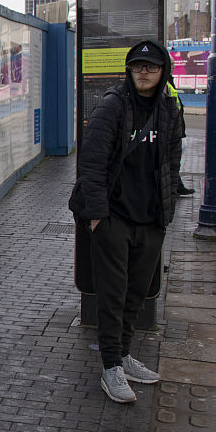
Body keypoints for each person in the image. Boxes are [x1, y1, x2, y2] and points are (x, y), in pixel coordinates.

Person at [69, 40, 183, 403]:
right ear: (128, 71)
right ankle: (110, 367)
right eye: (137, 67)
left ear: (163, 70)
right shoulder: (113, 105)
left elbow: (173, 161)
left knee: (137, 293)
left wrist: (168, 211)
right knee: (113, 295)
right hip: (115, 217)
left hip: (151, 219)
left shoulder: (169, 107)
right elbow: (92, 163)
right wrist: (99, 216)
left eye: (150, 67)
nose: (144, 73)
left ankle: (125, 354)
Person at [166, 75, 196, 196]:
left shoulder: (168, 81)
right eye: (171, 64)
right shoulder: (166, 83)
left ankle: (177, 187)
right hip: (170, 127)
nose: (173, 67)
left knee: (172, 160)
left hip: (174, 127)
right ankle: (177, 187)